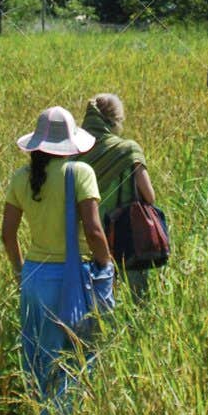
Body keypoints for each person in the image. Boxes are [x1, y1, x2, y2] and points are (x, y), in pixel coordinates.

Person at [1, 106, 114, 412]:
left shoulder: (20, 178)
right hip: (72, 278)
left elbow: (8, 234)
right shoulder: (80, 173)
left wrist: (20, 271)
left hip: (34, 279)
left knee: (39, 356)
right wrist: (106, 264)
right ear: (69, 144)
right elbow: (93, 231)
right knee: (77, 357)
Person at [80, 94, 157, 302]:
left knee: (98, 302)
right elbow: (149, 196)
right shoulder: (128, 150)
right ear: (115, 121)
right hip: (127, 236)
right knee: (137, 301)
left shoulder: (76, 152)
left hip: (86, 239)